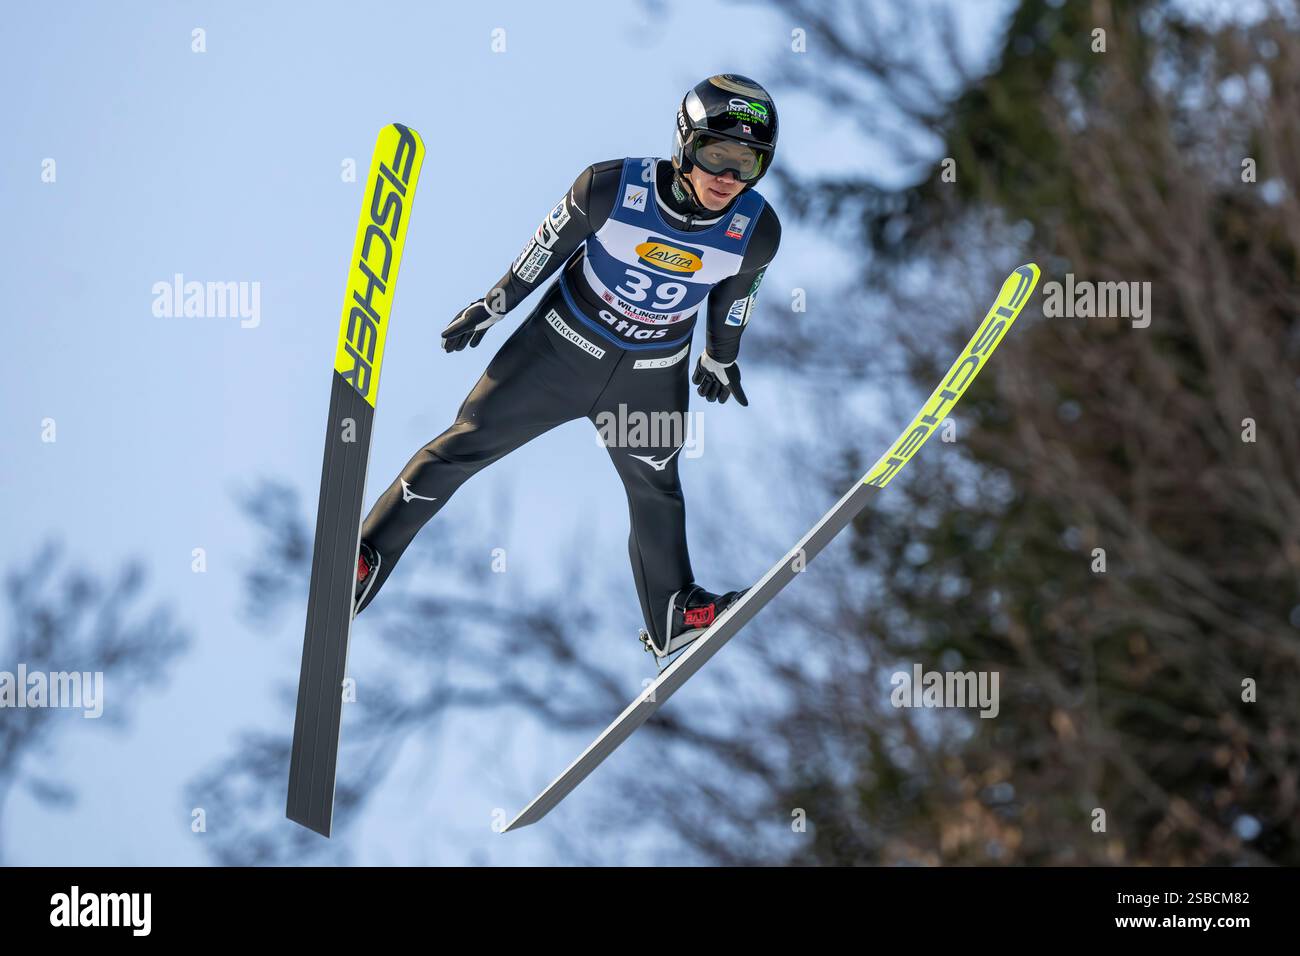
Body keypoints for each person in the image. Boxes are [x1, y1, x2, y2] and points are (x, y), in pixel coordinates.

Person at [353, 73, 782, 659]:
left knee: (656, 487)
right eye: (716, 155)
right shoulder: (611, 188)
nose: (728, 178)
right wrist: (493, 304)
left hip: (649, 376)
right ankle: (366, 557)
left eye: (748, 164)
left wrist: (721, 357)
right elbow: (545, 249)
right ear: (685, 144)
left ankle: (672, 612)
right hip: (558, 352)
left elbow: (735, 300)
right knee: (466, 444)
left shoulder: (754, 229)